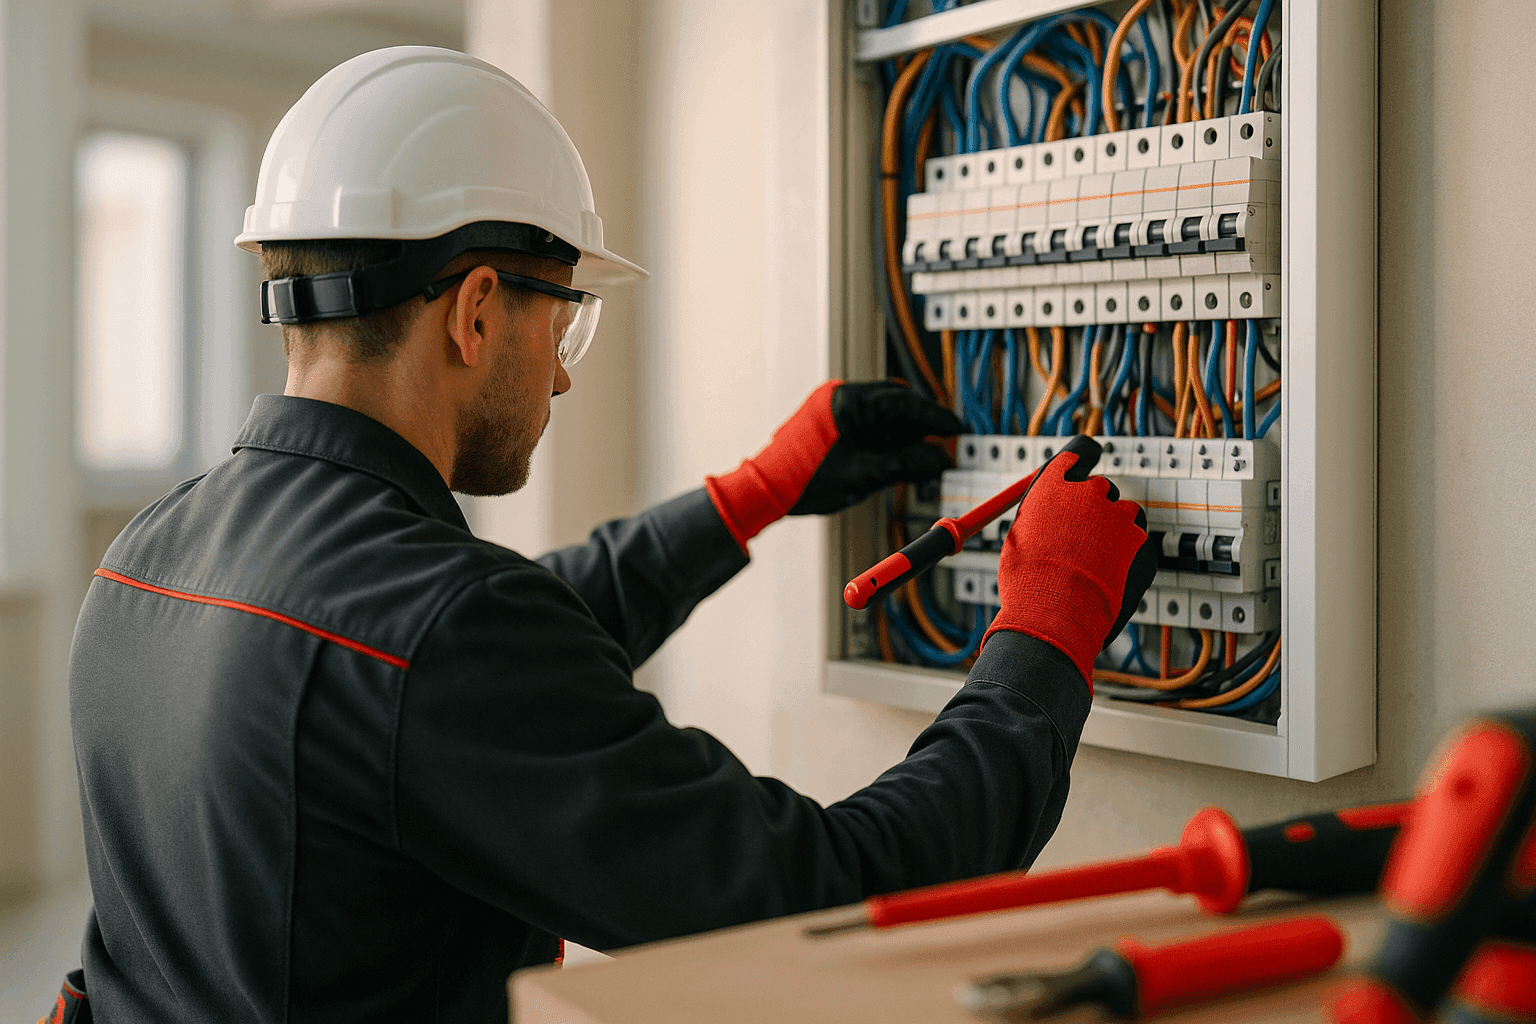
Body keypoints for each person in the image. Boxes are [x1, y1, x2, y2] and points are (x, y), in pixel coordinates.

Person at [62, 46, 1155, 1024]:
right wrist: (1047, 628)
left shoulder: (145, 560)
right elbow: (827, 899)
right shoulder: (436, 633)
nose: (565, 367)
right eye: (563, 315)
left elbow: (468, 660)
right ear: (476, 309)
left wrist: (755, 492)